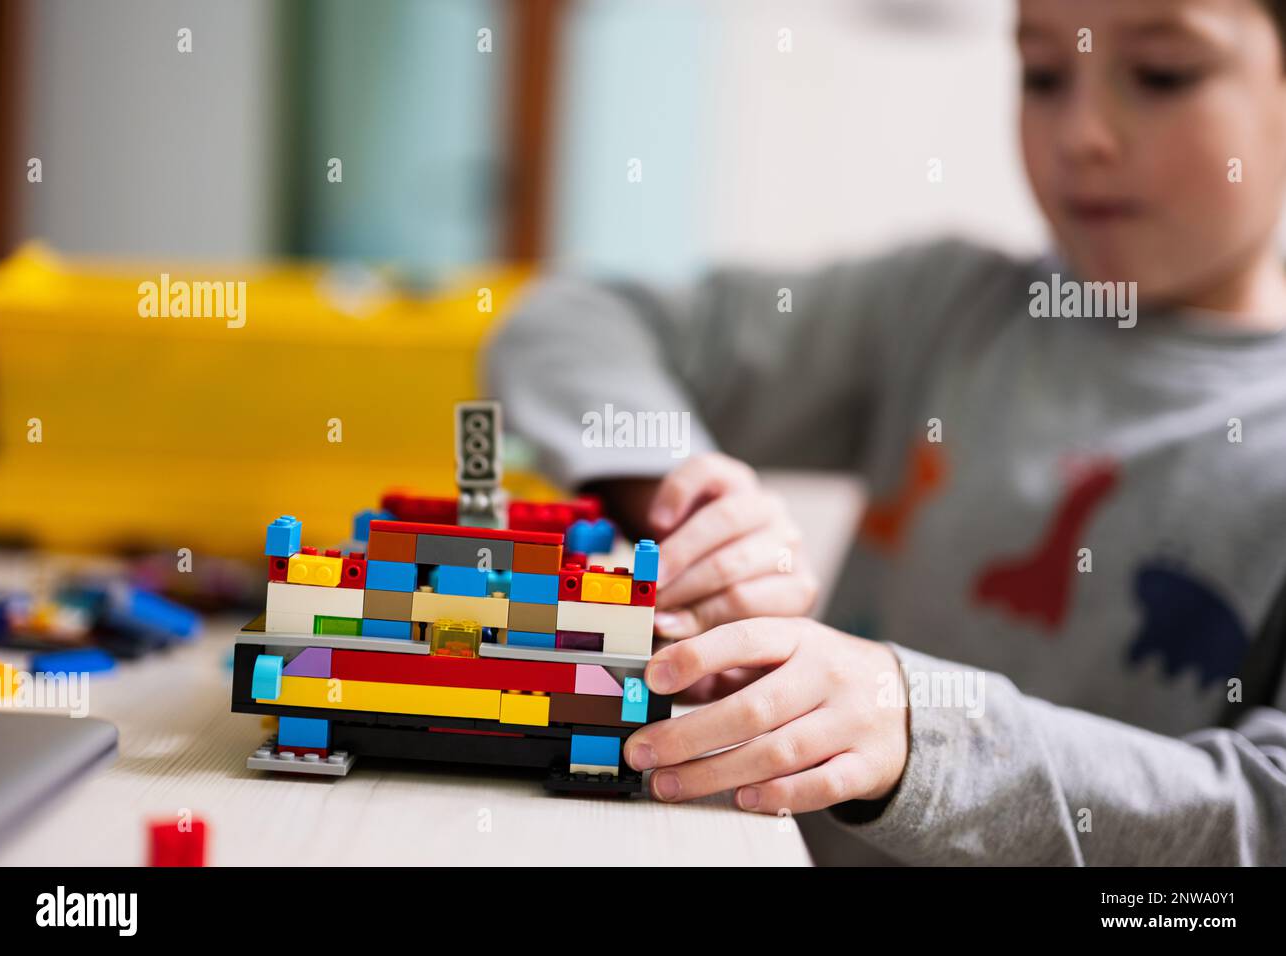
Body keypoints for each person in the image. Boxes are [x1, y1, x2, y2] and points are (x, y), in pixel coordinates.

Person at [484, 0, 1286, 864]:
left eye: (1164, 75)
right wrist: (677, 493)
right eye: (1043, 75)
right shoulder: (943, 309)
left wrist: (926, 727)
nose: (1084, 134)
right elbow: (568, 322)